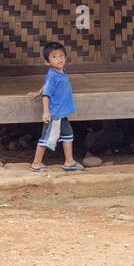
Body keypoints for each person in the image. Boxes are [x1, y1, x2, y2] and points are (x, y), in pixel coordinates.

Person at [26, 41, 84, 171]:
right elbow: (46, 95)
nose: (59, 59)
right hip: (55, 113)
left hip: (61, 113)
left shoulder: (60, 71)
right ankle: (36, 163)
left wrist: (37, 92)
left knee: (68, 134)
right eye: (54, 57)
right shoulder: (53, 75)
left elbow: (46, 85)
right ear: (47, 62)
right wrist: (46, 112)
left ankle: (69, 161)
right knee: (46, 138)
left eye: (61, 55)